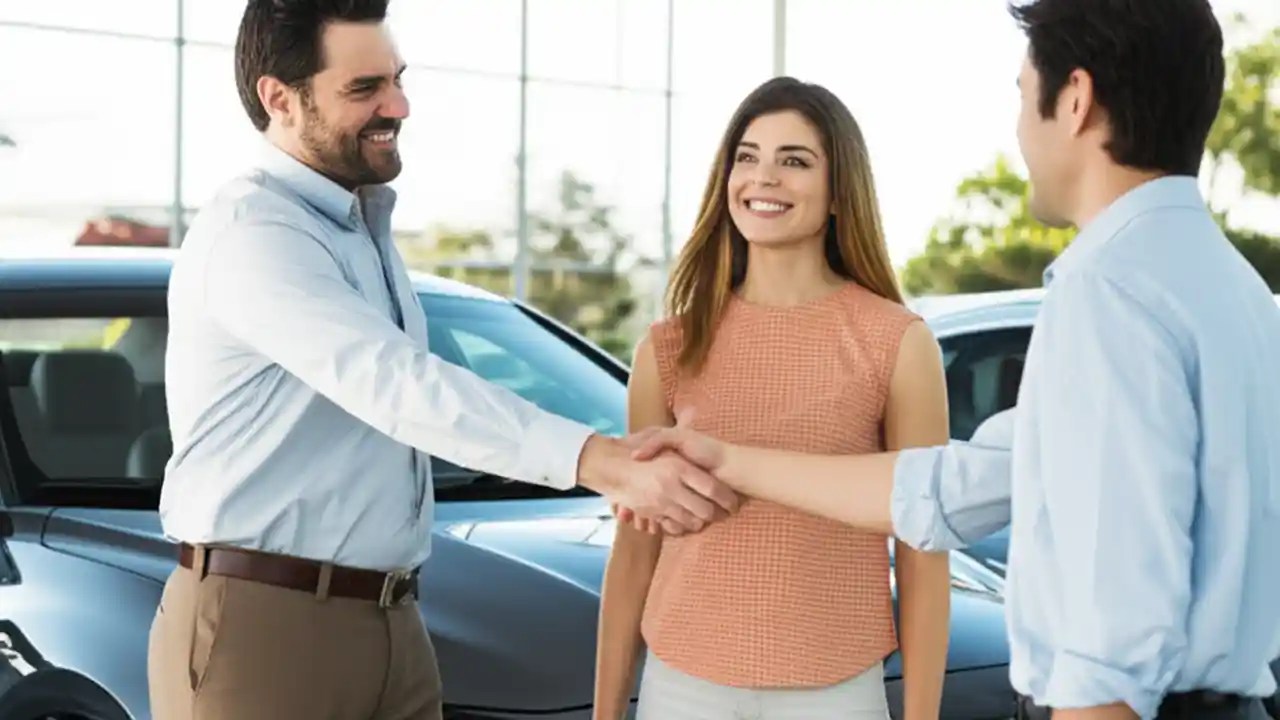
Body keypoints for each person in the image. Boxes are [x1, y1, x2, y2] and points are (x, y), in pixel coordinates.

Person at [625, 1, 1280, 719]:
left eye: (1023, 96)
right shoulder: (1236, 291)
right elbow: (962, 486)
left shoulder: (1108, 290)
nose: (1020, 128)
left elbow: (1111, 640)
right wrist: (726, 460)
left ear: (1076, 101)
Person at [147, 2, 737, 719]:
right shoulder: (254, 233)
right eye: (364, 89)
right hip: (264, 625)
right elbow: (399, 386)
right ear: (280, 98)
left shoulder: (361, 226)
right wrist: (601, 460)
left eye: (397, 79)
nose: (398, 105)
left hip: (393, 617)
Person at [593, 76, 952, 720]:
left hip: (836, 694)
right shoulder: (669, 347)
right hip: (682, 689)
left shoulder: (897, 342)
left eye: (795, 161)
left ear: (839, 192)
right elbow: (635, 548)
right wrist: (606, 711)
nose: (764, 178)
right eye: (748, 157)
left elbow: (923, 549)